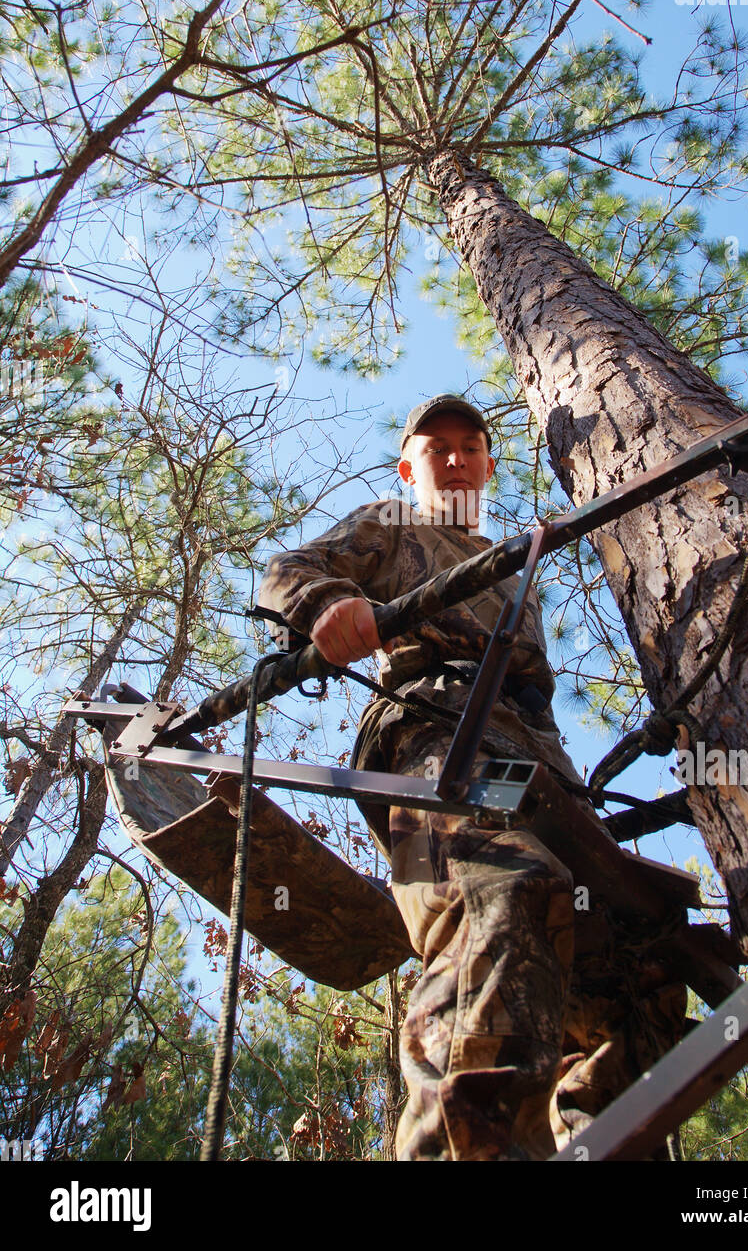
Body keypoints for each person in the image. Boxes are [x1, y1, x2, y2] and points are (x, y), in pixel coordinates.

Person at [259, 394, 686, 1161]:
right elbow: (292, 570)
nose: (455, 458)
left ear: (489, 465)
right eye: (437, 447)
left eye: (470, 446)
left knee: (631, 979)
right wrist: (330, 605)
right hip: (434, 738)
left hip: (545, 772)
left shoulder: (514, 564)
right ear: (408, 466)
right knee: (501, 892)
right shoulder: (391, 522)